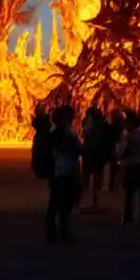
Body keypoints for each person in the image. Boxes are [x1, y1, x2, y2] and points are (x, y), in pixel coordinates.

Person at [44, 105, 81, 244]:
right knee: (60, 205)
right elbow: (71, 149)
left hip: (64, 172)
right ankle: (60, 233)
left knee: (57, 204)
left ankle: (54, 232)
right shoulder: (59, 134)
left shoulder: (63, 133)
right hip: (61, 173)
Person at [119, 110, 140, 224]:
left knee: (131, 192)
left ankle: (130, 216)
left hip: (135, 165)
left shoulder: (133, 136)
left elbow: (125, 151)